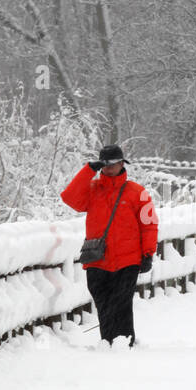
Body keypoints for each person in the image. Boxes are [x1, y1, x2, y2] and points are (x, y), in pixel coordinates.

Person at [61, 144, 158, 348]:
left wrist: (148, 253)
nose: (109, 168)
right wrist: (89, 170)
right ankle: (108, 341)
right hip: (97, 258)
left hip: (128, 260)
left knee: (121, 302)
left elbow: (149, 225)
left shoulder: (137, 192)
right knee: (102, 301)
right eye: (105, 165)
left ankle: (124, 342)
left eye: (113, 164)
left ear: (122, 163)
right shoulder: (93, 190)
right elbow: (69, 198)